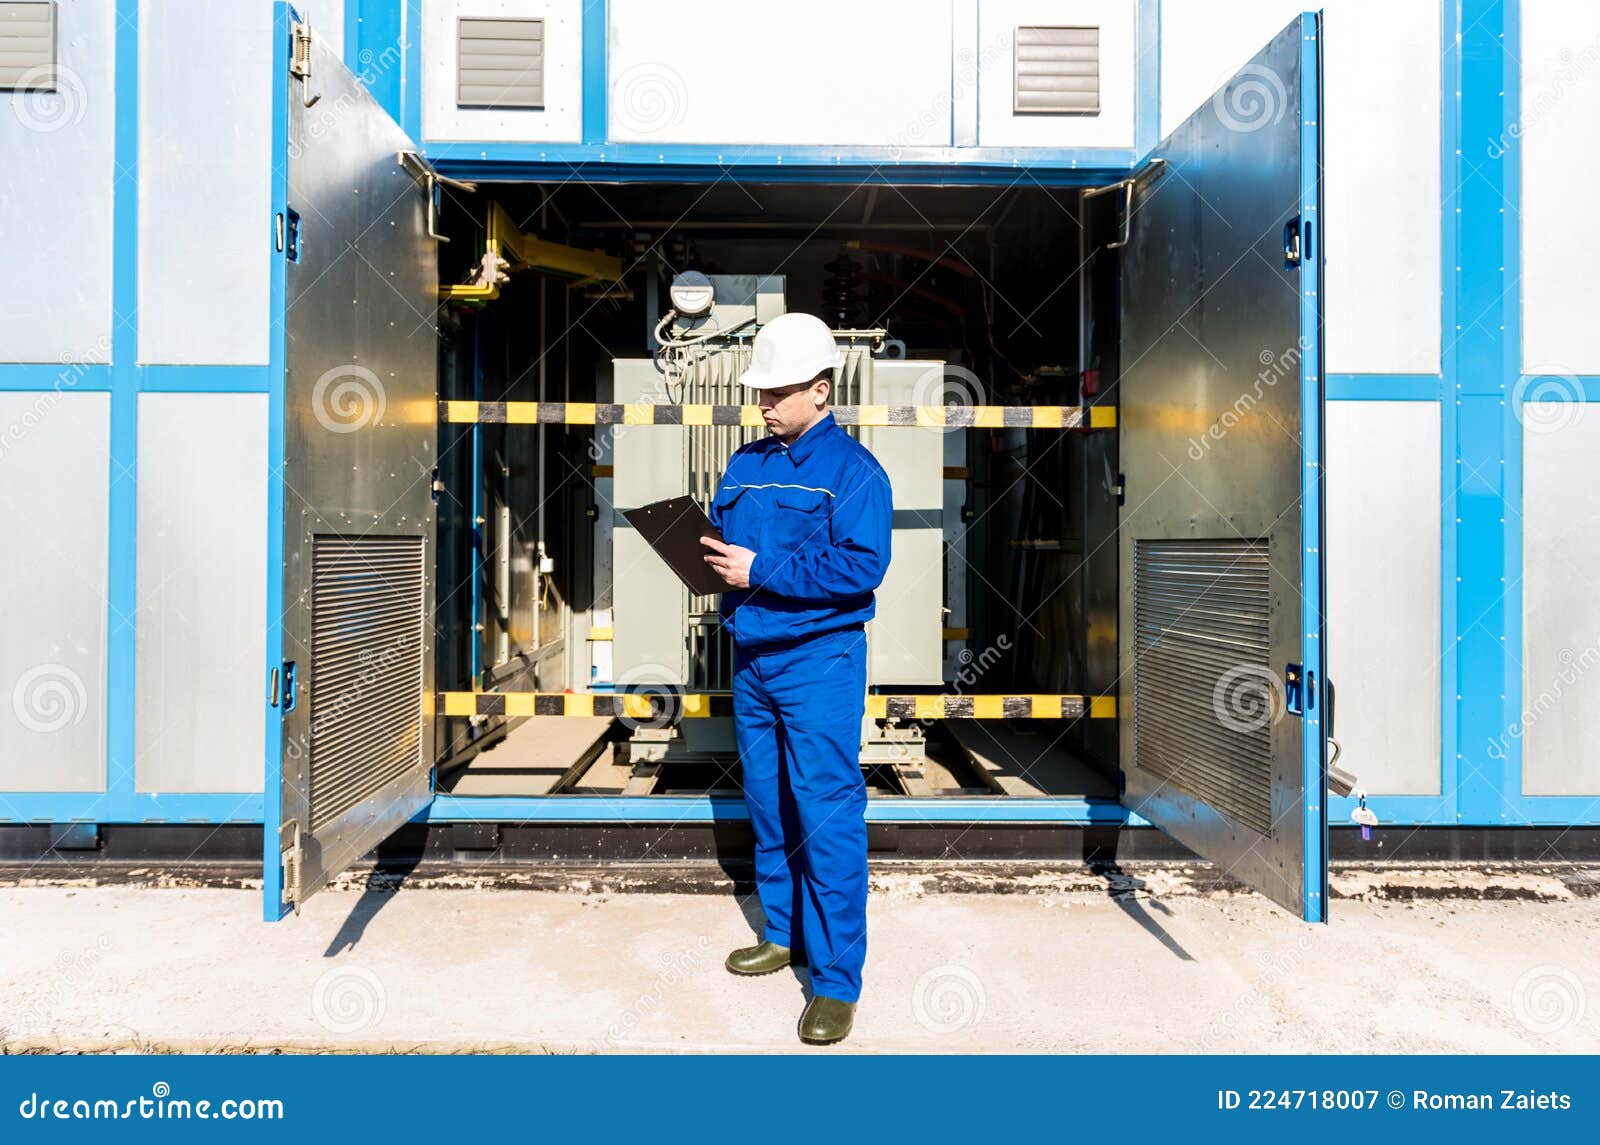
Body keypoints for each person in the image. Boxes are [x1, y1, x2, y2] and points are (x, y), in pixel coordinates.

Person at [700, 311, 893, 1046]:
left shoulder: (856, 473)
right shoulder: (746, 461)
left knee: (826, 811)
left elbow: (862, 567)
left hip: (820, 663)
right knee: (771, 805)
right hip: (752, 659)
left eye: (778, 393)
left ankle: (837, 980)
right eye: (761, 393)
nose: (765, 405)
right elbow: (724, 542)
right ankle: (782, 933)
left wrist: (762, 569)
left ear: (820, 390)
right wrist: (705, 556)